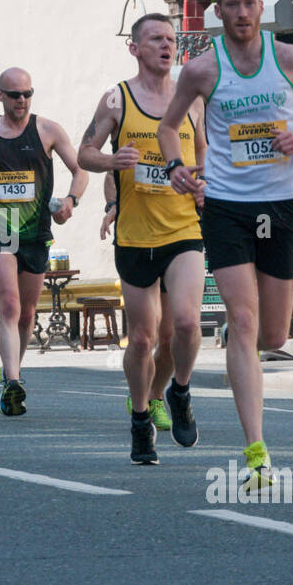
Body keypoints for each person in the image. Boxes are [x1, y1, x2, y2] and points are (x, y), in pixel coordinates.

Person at [159, 0, 293, 491]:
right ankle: (256, 453)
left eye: (248, 4)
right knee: (242, 319)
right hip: (226, 206)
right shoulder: (201, 70)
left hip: (282, 205)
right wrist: (176, 169)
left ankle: (217, 364)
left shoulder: (290, 60)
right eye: (231, 6)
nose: (241, 13)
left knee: (272, 333)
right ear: (217, 12)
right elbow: (168, 126)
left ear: (261, 8)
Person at [79, 12, 207, 465]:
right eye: (155, 39)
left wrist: (203, 186)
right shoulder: (117, 100)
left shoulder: (192, 100)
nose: (166, 45)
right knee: (142, 338)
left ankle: (180, 392)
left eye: (170, 39)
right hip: (135, 235)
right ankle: (139, 420)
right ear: (134, 48)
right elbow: (85, 154)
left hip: (183, 229)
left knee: (186, 328)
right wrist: (111, 163)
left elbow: (203, 155)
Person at [0, 67, 88, 416]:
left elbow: (80, 171)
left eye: (27, 94)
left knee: (28, 312)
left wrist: (70, 201)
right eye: (14, 94)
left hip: (36, 231)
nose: (21, 100)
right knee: (11, 303)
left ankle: (9, 377)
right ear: (0, 95)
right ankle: (15, 381)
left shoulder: (47, 130)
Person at [99, 159, 177, 437]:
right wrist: (113, 206)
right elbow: (111, 173)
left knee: (171, 336)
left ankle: (156, 395)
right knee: (147, 335)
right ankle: (144, 400)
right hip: (137, 238)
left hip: (178, 236)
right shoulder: (134, 122)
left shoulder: (191, 122)